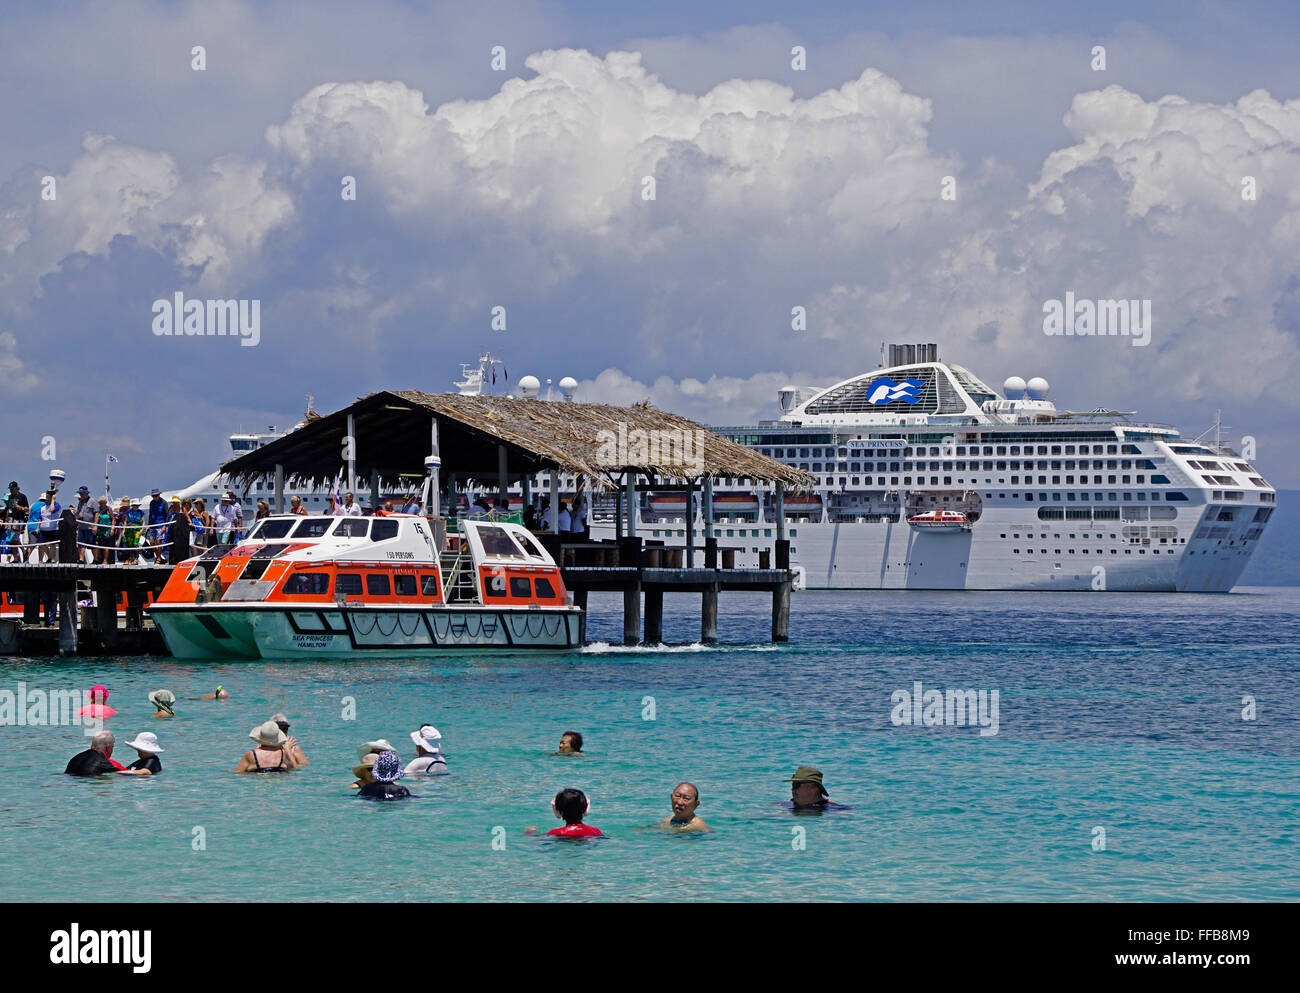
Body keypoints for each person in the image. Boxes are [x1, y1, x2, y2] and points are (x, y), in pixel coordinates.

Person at [525, 788, 603, 838]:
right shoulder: (596, 831)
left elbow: (534, 838)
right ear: (584, 809)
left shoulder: (557, 832)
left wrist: (528, 831)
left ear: (560, 812)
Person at [234, 720, 301, 773]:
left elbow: (238, 773)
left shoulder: (251, 754)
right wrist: (287, 750)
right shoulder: (283, 753)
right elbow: (294, 769)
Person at [782, 766, 852, 811]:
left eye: (796, 785)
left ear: (813, 788)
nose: (793, 790)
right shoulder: (785, 804)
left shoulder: (833, 809)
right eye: (793, 785)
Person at [35, 490, 60, 563]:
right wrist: (37, 528)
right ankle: (40, 560)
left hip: (53, 529)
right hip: (43, 529)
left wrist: (53, 500)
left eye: (48, 497)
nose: (46, 499)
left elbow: (51, 510)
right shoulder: (42, 507)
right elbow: (40, 518)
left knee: (52, 544)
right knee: (41, 544)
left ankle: (52, 559)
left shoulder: (56, 505)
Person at [74, 486, 96, 561]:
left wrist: (95, 525)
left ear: (86, 494)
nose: (81, 495)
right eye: (80, 494)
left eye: (82, 494)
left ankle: (95, 559)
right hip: (81, 526)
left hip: (90, 526)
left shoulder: (92, 501)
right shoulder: (80, 502)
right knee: (81, 543)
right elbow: (78, 513)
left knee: (92, 543)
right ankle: (81, 559)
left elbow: (96, 513)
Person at [146, 488, 168, 558]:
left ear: (159, 495)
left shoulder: (164, 503)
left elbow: (167, 514)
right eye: (153, 496)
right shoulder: (151, 503)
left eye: (156, 495)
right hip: (153, 525)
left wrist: (165, 526)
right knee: (151, 542)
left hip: (160, 524)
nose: (155, 497)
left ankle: (158, 558)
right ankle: (158, 556)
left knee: (159, 542)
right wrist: (148, 525)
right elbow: (150, 514)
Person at [121, 498, 144, 563]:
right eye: (135, 505)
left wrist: (142, 529)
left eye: (137, 505)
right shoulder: (128, 512)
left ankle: (136, 558)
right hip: (129, 529)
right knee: (130, 544)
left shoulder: (141, 512)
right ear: (132, 505)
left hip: (137, 529)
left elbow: (143, 521)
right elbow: (125, 521)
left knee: (135, 543)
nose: (136, 507)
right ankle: (131, 558)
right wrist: (124, 530)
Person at [93, 497, 115, 564]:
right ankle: (98, 558)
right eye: (100, 503)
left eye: (103, 503)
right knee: (97, 543)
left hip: (107, 529)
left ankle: (105, 560)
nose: (102, 504)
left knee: (106, 544)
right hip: (99, 529)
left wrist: (112, 528)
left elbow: (113, 519)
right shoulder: (98, 510)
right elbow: (96, 518)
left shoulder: (109, 509)